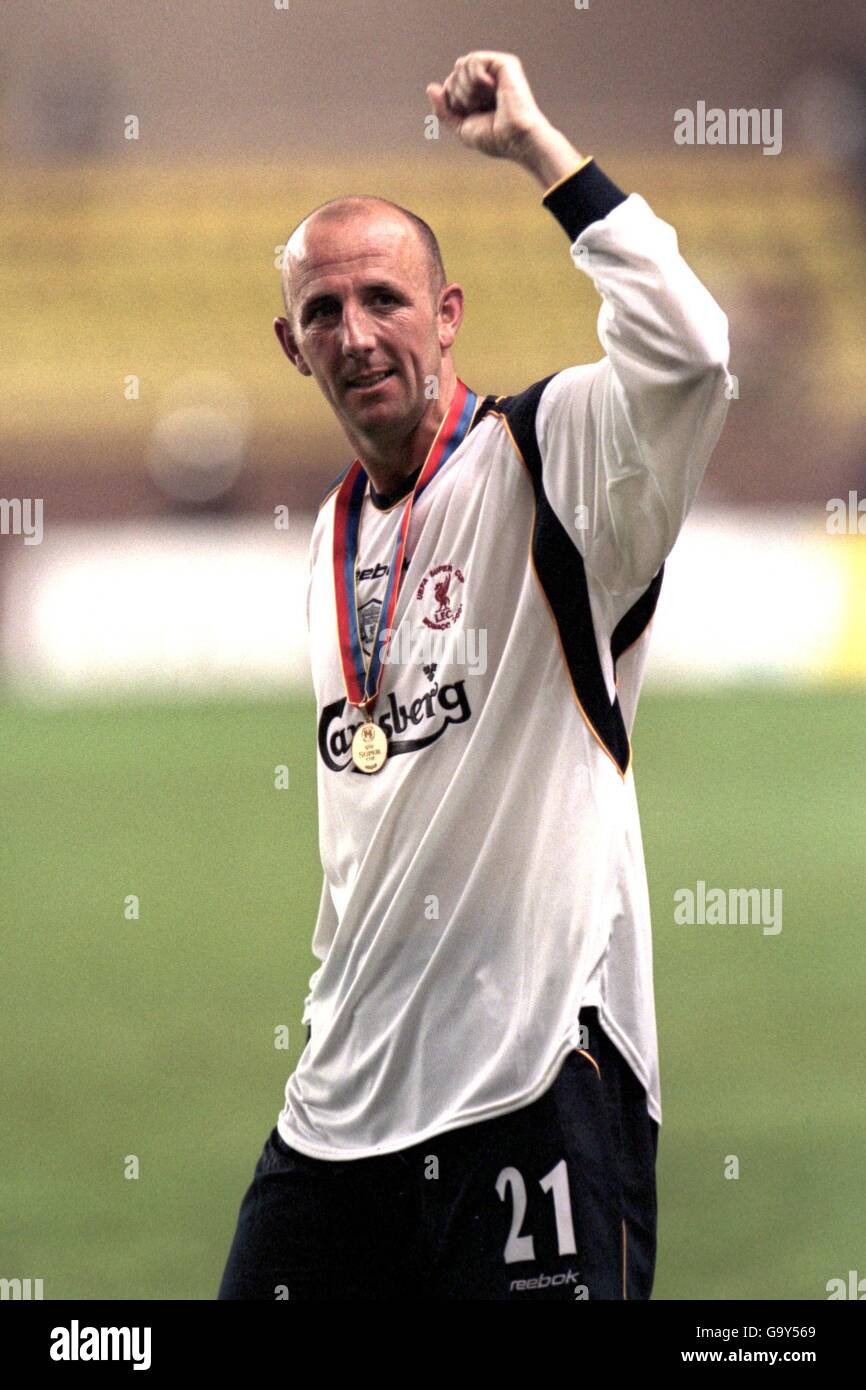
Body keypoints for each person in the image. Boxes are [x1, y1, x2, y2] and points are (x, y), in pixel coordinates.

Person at [218, 51, 731, 1300]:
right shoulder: (331, 544)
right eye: (325, 314)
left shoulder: (555, 462)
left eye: (386, 299)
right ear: (292, 347)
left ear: (446, 314)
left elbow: (690, 353)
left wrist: (536, 151)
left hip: (531, 1092)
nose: (358, 334)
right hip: (338, 1115)